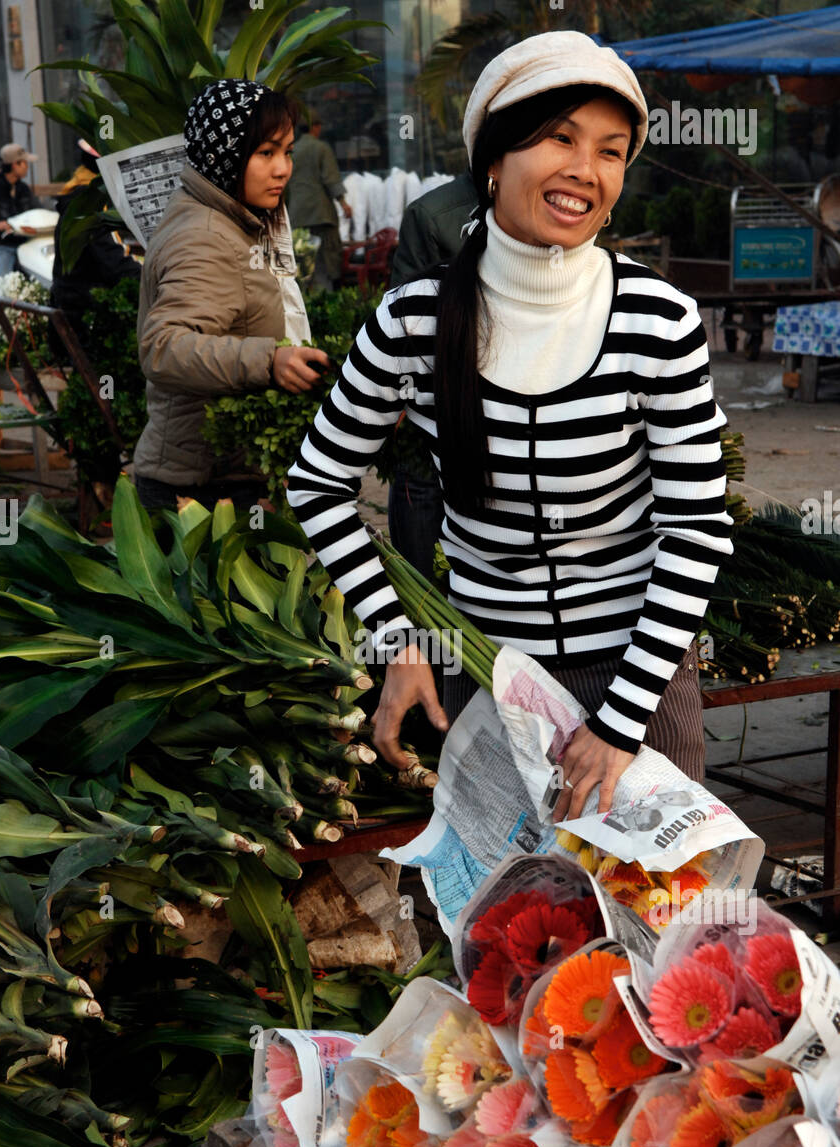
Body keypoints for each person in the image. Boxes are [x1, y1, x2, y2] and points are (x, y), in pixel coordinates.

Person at [287, 31, 733, 823]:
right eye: (559, 138)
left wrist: (617, 724)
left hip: (637, 681)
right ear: (492, 159)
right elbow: (317, 480)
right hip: (487, 680)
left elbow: (695, 526)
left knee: (659, 926)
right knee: (514, 935)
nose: (584, 171)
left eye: (610, 150)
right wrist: (397, 637)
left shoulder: (656, 319)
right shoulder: (414, 319)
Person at [132, 79, 328, 512]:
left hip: (219, 480)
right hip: (198, 494)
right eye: (265, 153)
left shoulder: (233, 219)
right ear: (225, 154)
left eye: (287, 152)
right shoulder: (204, 236)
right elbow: (163, 348)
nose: (282, 169)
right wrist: (267, 361)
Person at [386, 172, 475, 579]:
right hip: (443, 396)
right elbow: (406, 319)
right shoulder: (432, 214)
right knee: (421, 480)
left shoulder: (547, 200)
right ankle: (420, 604)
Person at [51, 139, 141, 337]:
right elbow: (113, 263)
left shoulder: (79, 193)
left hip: (73, 305)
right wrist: (149, 276)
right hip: (84, 315)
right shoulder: (88, 201)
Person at [285, 114, 351, 291]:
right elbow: (331, 179)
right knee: (326, 263)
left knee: (303, 262)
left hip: (297, 215)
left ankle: (307, 302)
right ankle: (327, 299)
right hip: (321, 215)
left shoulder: (292, 150)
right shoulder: (321, 148)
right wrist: (344, 203)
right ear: (316, 127)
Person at [0, 142, 42, 280]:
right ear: (15, 165)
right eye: (24, 163)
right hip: (2, 246)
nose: (27, 167)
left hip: (26, 244)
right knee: (6, 286)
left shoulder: (24, 189)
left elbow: (37, 209)